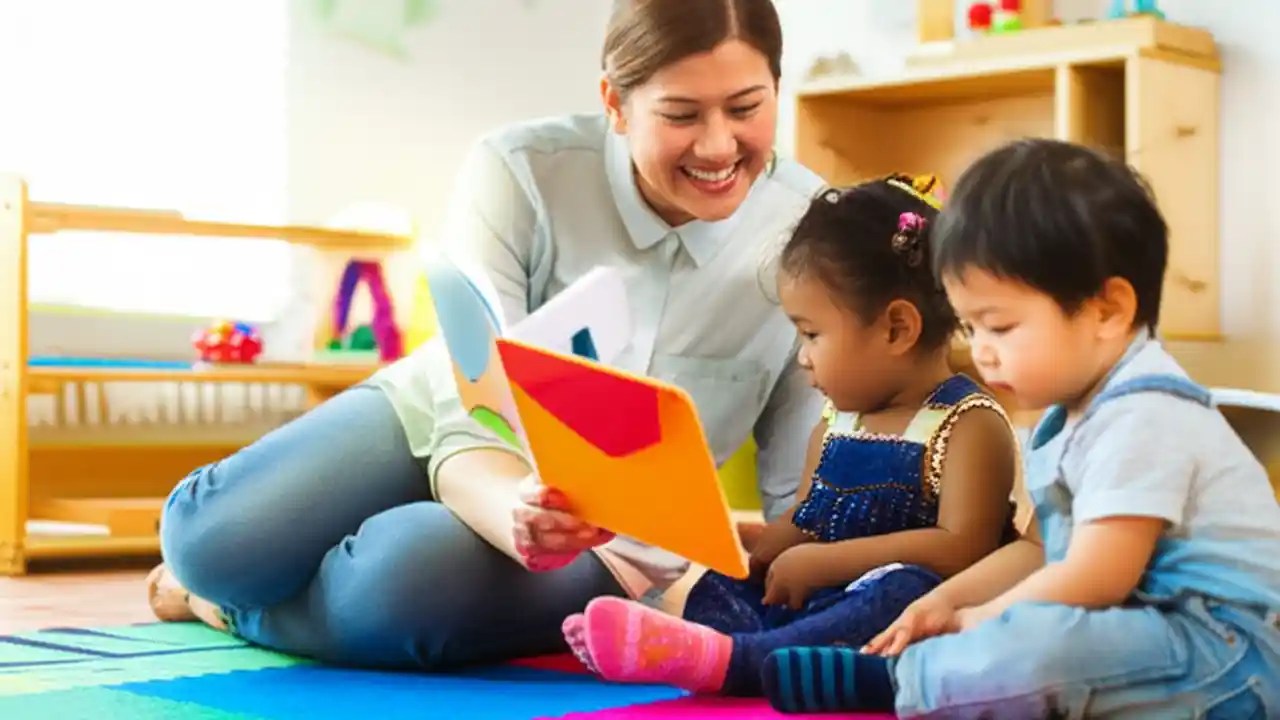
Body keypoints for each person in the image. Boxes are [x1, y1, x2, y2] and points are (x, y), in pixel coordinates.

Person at [146, 0, 832, 671]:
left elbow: (796, 483)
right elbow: (469, 405)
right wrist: (511, 510)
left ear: (777, 86)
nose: (718, 145)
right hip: (438, 421)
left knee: (395, 582)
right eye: (681, 115)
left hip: (606, 539)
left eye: (746, 108)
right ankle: (216, 583)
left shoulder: (808, 232)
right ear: (615, 105)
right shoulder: (519, 169)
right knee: (207, 538)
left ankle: (229, 610)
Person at [760, 139, 1280, 717]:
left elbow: (1096, 577)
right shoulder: (1070, 417)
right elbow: (1039, 553)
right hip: (1156, 638)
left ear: (1107, 311)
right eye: (971, 328)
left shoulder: (1145, 417)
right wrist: (945, 601)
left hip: (1230, 653)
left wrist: (980, 621)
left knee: (1042, 643)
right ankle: (923, 677)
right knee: (1037, 636)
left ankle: (898, 685)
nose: (980, 354)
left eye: (1000, 327)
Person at [561, 175, 1020, 697]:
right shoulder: (835, 420)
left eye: (811, 334)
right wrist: (754, 542)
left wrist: (825, 560)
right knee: (725, 582)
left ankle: (732, 659)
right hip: (821, 594)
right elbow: (808, 518)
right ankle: (698, 648)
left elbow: (963, 548)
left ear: (896, 329)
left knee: (901, 588)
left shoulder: (967, 422)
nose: (801, 356)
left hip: (900, 606)